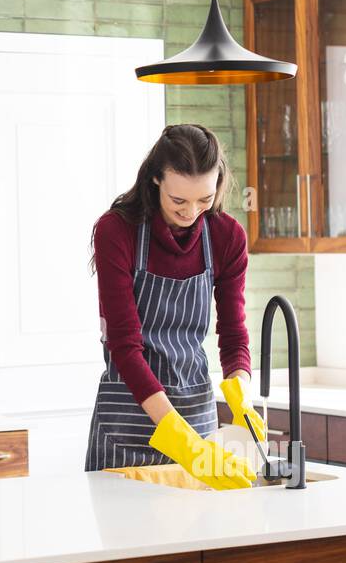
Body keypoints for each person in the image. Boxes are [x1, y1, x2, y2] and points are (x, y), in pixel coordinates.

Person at [84, 124, 263, 488]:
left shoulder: (227, 237)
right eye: (178, 200)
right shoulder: (117, 232)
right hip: (128, 425)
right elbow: (124, 346)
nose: (192, 212)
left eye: (205, 199)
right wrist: (178, 438)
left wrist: (240, 388)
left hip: (197, 419)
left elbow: (233, 334)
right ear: (155, 181)